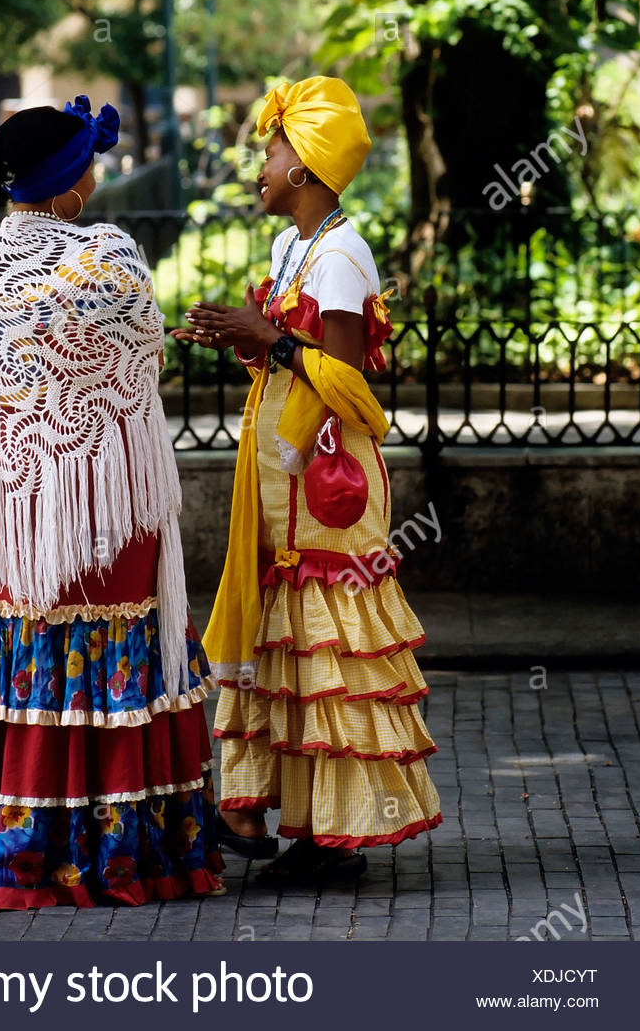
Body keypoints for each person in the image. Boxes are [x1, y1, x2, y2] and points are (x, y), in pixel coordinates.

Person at [0, 95, 225, 908]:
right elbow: (143, 358)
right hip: (103, 508)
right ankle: (129, 855)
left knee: (17, 649)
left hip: (10, 511)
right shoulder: (110, 254)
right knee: (113, 652)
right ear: (67, 183)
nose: (96, 178)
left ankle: (11, 856)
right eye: (88, 167)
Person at [173, 76, 442, 884]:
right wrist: (248, 341)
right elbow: (296, 356)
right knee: (282, 636)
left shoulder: (339, 254)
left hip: (327, 488)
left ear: (308, 164)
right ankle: (270, 816)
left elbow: (352, 384)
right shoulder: (293, 247)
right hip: (281, 480)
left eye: (272, 147)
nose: (260, 161)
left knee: (325, 638)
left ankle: (333, 840)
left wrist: (273, 340)